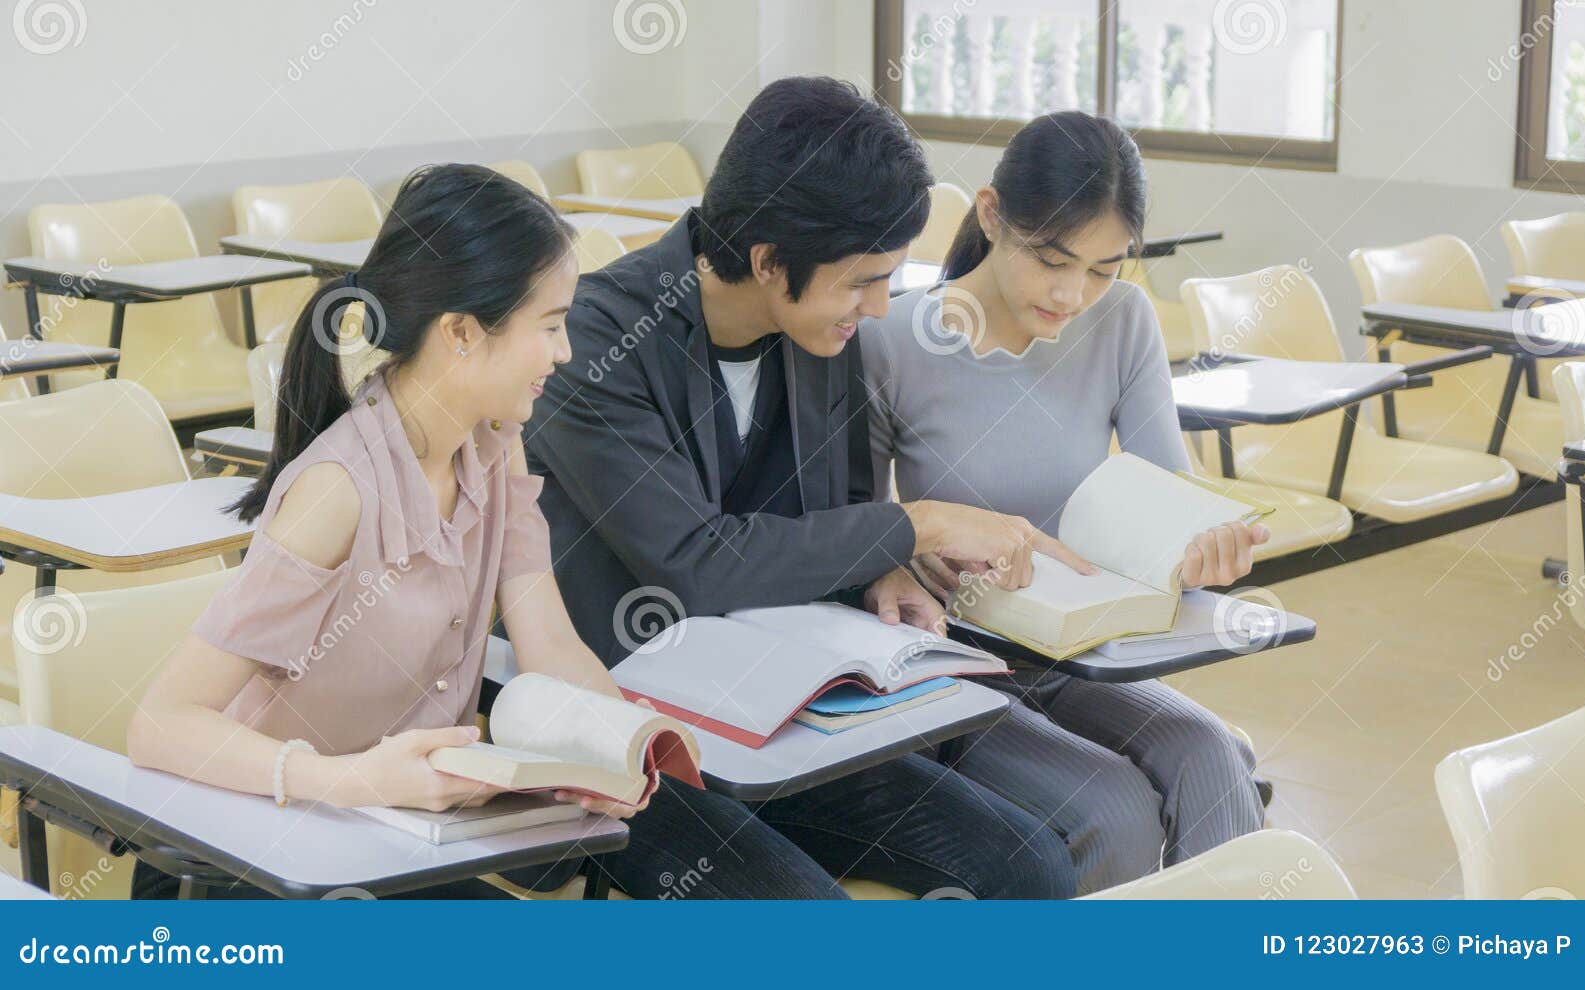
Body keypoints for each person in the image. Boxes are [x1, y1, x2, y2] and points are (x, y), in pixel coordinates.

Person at [523, 76, 1079, 899]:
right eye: (864, 280)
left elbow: (839, 507)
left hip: (789, 713)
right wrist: (912, 527)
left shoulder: (819, 326)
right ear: (769, 261)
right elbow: (695, 563)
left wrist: (880, 568)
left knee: (1028, 865)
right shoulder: (598, 340)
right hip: (637, 732)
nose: (882, 307)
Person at [127, 164, 634, 899]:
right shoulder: (336, 492)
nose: (565, 353)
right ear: (461, 332)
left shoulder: (496, 447)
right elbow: (159, 724)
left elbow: (549, 642)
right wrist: (348, 779)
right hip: (251, 859)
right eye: (551, 328)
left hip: (386, 842)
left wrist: (620, 744)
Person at [862, 111, 1271, 894]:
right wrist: (899, 553)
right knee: (1112, 808)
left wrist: (1202, 547)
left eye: (1103, 268)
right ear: (990, 215)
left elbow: (1168, 499)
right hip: (963, 658)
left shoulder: (1123, 321)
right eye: (1052, 259)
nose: (1072, 292)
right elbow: (855, 523)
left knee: (1213, 759)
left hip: (1083, 652)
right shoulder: (897, 337)